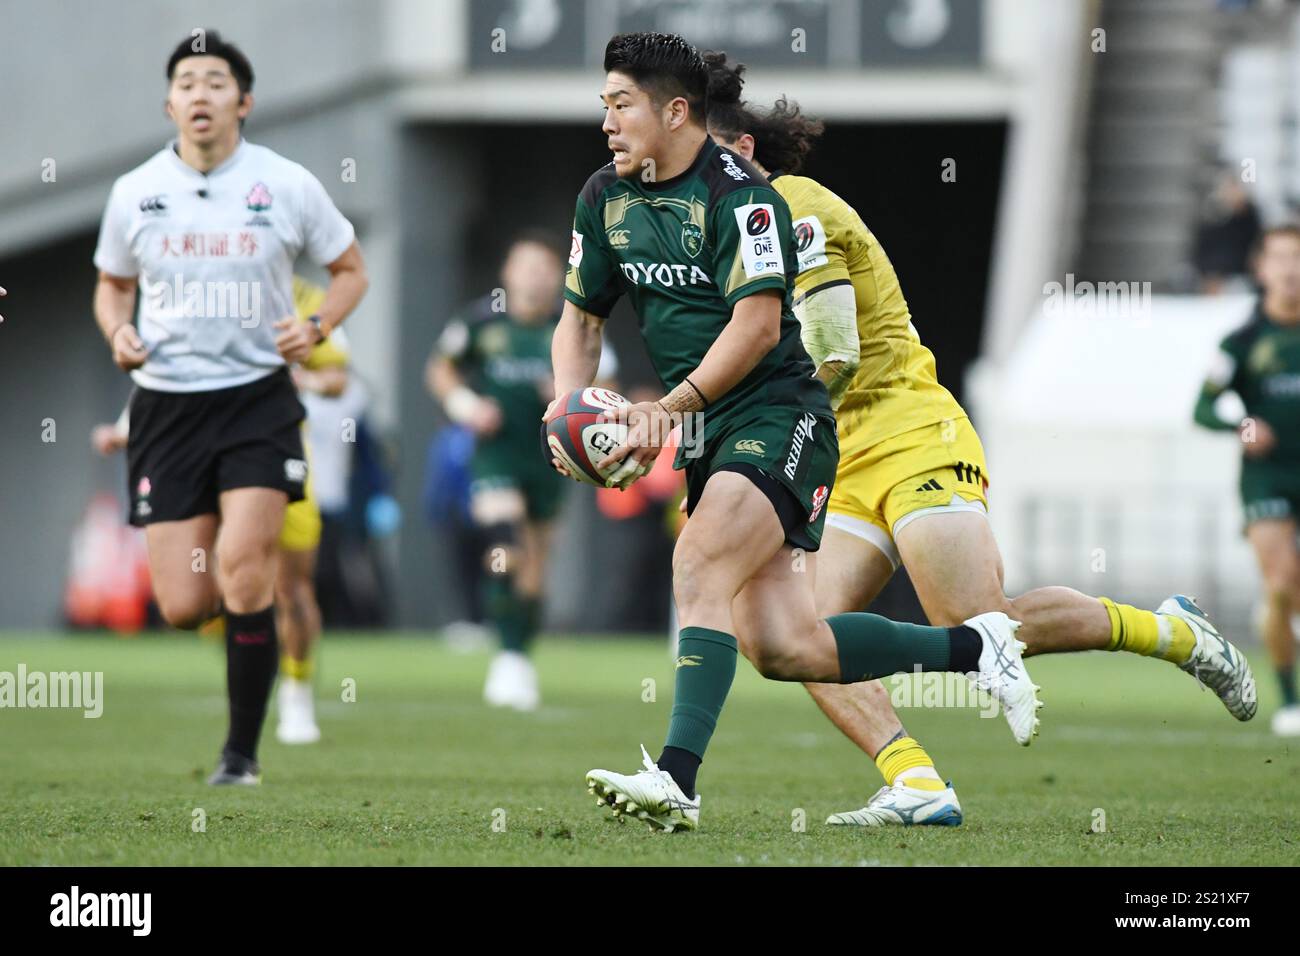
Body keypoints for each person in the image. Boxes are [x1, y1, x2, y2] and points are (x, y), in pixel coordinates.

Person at [701, 52, 1258, 826]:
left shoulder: (791, 208)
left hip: (910, 428)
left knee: (976, 622)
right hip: (838, 446)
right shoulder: (718, 235)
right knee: (796, 641)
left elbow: (834, 352)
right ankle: (916, 781)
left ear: (744, 152)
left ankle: (1172, 632)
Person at [551, 32, 1043, 834]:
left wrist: (660, 413)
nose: (607, 120)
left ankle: (677, 780)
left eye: (621, 103)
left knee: (699, 560)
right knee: (784, 645)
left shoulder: (744, 194)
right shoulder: (603, 195)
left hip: (781, 411)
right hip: (710, 428)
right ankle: (974, 651)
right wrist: (567, 404)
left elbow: (756, 327)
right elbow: (580, 317)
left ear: (676, 111)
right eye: (604, 103)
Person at [91, 31, 368, 784]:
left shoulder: (286, 184)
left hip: (256, 401)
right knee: (185, 605)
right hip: (166, 406)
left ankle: (239, 756)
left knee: (249, 574)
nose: (200, 93)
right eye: (187, 82)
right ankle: (243, 655)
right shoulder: (134, 191)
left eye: (216, 81)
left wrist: (316, 327)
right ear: (170, 103)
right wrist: (118, 330)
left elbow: (349, 270)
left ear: (243, 102)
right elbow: (112, 283)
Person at [426, 232, 569, 711]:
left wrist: (569, 392)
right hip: (495, 453)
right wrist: (467, 405)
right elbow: (440, 369)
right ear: (507, 273)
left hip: (550, 458)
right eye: (525, 267)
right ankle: (504, 657)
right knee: (504, 545)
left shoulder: (569, 327)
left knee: (535, 570)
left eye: (544, 268)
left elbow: (604, 385)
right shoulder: (479, 321)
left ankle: (519, 657)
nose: (534, 277)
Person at [1195, 225, 1300, 736]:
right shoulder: (1242, 342)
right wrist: (1241, 425)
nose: (1290, 269)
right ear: (1261, 269)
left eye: (1297, 258)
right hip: (1267, 479)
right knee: (1280, 583)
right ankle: (1292, 700)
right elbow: (1201, 407)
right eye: (1280, 257)